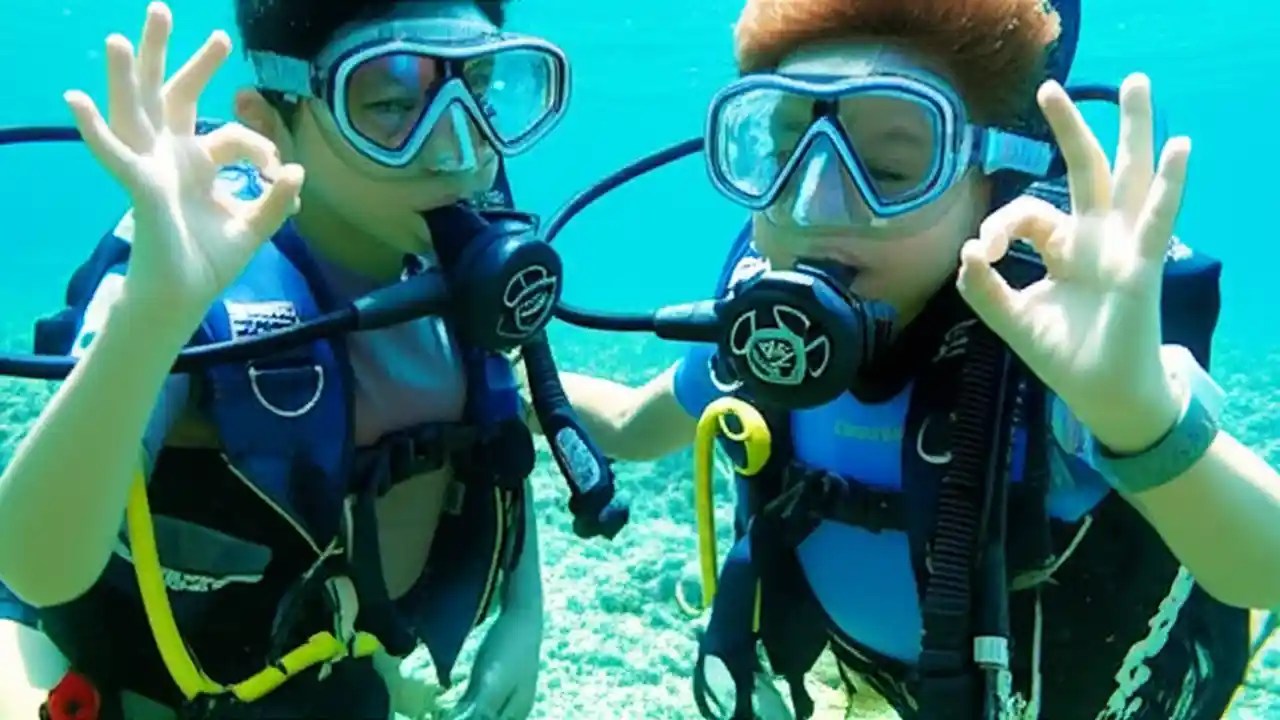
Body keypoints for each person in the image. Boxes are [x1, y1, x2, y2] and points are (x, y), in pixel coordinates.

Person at [552, 0, 1280, 717]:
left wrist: (1139, 417)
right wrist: (509, 381)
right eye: (783, 156)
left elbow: (1267, 569)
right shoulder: (765, 338)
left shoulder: (1056, 349)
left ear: (996, 184)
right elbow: (630, 423)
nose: (814, 203)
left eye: (891, 169)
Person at [0, 1, 575, 718]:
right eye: (390, 104)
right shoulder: (187, 275)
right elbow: (37, 567)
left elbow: (509, 432)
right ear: (270, 124)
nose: (458, 148)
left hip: (324, 676)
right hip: (121, 687)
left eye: (480, 90)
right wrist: (151, 316)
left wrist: (525, 609)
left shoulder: (455, 281)